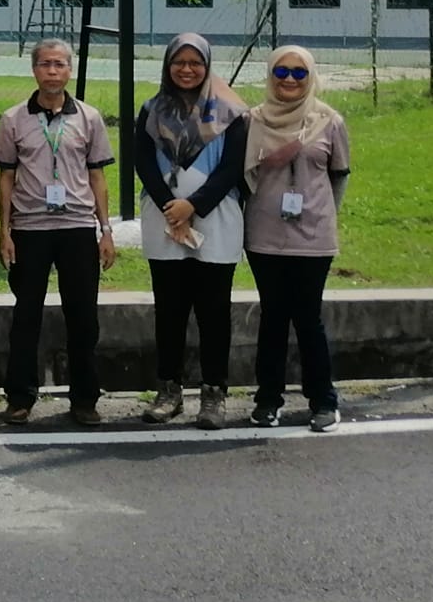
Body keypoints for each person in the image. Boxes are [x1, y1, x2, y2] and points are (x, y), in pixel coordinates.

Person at [0, 38, 117, 427]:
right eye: (45, 64)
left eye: (59, 64)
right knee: (25, 316)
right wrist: (5, 232)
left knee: (83, 317)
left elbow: (97, 176)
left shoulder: (89, 118)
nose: (52, 71)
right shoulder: (13, 119)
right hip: (30, 228)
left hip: (77, 227)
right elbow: (6, 177)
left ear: (69, 70)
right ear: (34, 69)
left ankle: (84, 399)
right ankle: (20, 397)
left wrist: (105, 230)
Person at [131, 34, 249, 429]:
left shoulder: (231, 113)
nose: (186, 70)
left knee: (214, 312)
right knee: (169, 311)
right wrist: (172, 206)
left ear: (207, 66)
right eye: (178, 62)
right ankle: (169, 390)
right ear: (167, 66)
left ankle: (214, 393)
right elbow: (143, 161)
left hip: (216, 217)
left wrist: (193, 206)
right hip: (164, 219)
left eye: (195, 63)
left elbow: (233, 167)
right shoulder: (151, 111)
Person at [243, 45, 351, 433]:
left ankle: (323, 401)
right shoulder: (252, 120)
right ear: (270, 75)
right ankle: (268, 400)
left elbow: (339, 175)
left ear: (311, 77)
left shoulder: (329, 121)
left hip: (313, 238)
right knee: (273, 316)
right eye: (282, 72)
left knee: (308, 318)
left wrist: (322, 214)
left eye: (299, 73)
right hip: (264, 235)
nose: (289, 79)